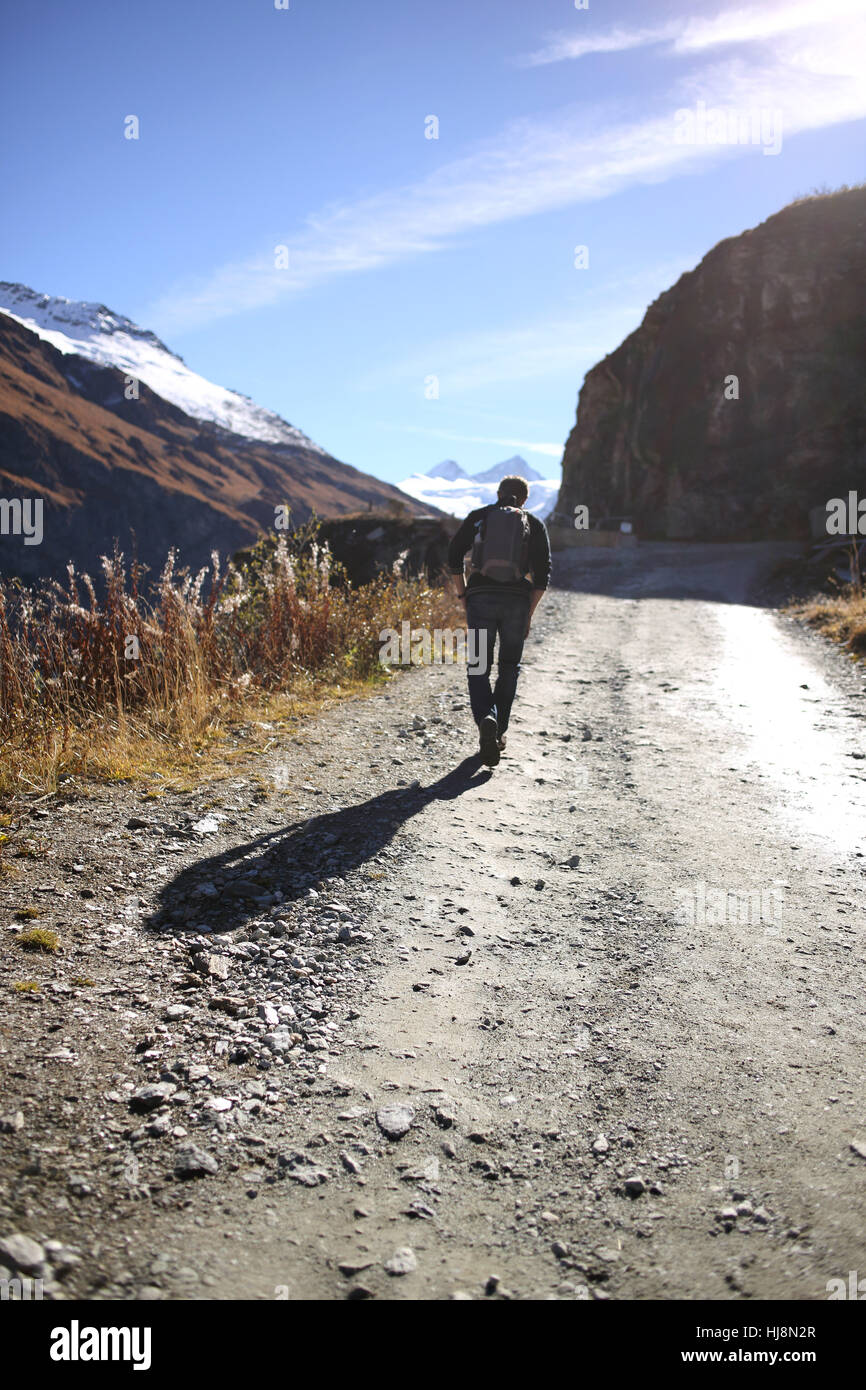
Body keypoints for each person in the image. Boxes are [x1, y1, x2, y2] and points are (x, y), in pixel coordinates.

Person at [447, 474, 551, 767]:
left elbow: (454, 555)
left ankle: (486, 718)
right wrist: (528, 613)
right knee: (509, 667)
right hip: (517, 601)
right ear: (525, 499)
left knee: (479, 665)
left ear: (497, 494)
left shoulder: (480, 517)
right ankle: (499, 730)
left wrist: (463, 593)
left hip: (480, 596)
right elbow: (544, 574)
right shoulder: (533, 522)